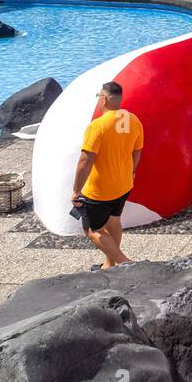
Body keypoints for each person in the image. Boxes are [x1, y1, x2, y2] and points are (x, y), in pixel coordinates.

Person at [70, 82, 143, 269]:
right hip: (124, 184)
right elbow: (137, 151)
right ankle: (108, 266)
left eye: (98, 97)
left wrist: (76, 190)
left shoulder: (98, 126)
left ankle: (125, 263)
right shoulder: (131, 119)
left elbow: (85, 161)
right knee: (114, 222)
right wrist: (131, 171)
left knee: (92, 230)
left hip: (100, 191)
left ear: (104, 99)